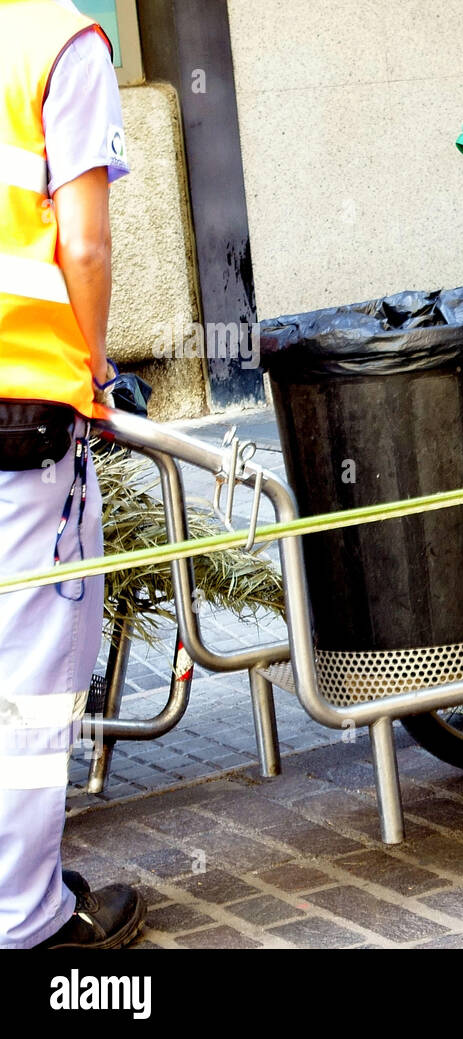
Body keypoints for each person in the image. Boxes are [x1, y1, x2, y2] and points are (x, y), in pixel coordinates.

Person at [0, 0, 139, 948]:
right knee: (33, 673)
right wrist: (94, 371)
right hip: (22, 411)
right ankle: (27, 913)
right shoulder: (62, 43)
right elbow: (82, 244)